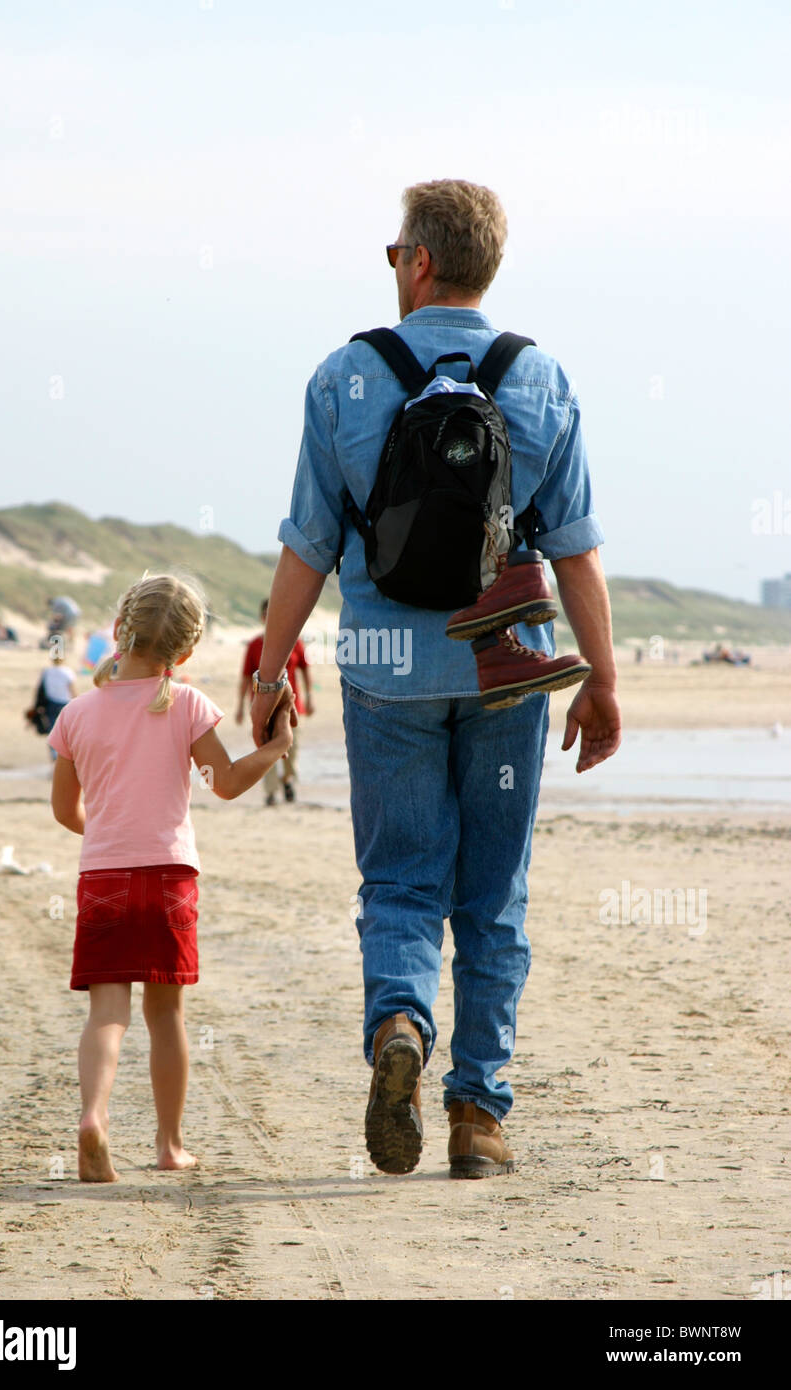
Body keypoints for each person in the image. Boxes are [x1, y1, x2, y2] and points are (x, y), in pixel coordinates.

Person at [251, 179, 622, 1179]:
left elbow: (308, 546)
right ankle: (477, 1117)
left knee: (401, 883)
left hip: (383, 673)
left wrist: (271, 658)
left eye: (391, 254)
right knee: (492, 898)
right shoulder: (538, 378)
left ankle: (399, 1028)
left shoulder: (345, 377)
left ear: (415, 262)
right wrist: (601, 680)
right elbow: (576, 550)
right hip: (504, 669)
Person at [48, 573, 294, 1182]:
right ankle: (169, 1145)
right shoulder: (186, 704)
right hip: (169, 879)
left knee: (106, 1012)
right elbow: (229, 783)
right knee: (167, 1015)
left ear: (116, 633)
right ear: (185, 654)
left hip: (102, 874)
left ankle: (93, 1118)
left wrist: (109, 832)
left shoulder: (77, 714)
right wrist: (277, 747)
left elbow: (64, 810)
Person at [236, 599, 313, 804]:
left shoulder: (295, 642)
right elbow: (245, 677)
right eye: (267, 615)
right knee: (265, 749)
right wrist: (240, 707)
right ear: (262, 618)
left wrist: (310, 698)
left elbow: (305, 671)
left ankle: (287, 780)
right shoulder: (254, 646)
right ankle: (270, 792)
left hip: (292, 706)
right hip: (263, 707)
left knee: (292, 748)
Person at [33, 649, 78, 760]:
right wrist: (77, 702)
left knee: (53, 729)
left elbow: (40, 688)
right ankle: (65, 754)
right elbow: (72, 689)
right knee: (66, 730)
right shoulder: (67, 671)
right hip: (65, 703)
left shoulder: (47, 671)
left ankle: (54, 754)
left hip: (51, 703)